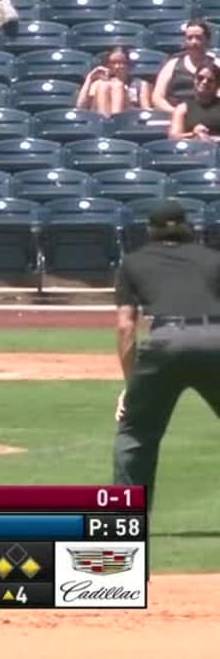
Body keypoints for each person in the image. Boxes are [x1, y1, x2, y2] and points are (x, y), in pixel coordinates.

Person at [112, 200, 220, 508]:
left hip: (165, 341)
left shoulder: (133, 263)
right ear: (188, 227)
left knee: (135, 435)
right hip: (216, 339)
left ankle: (128, 514)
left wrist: (130, 387)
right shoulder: (213, 259)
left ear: (149, 230)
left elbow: (125, 327)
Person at [150, 20, 220, 113]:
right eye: (190, 38)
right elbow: (157, 97)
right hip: (174, 114)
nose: (194, 42)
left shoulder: (217, 64)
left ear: (207, 40)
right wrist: (176, 113)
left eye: (198, 38)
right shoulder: (173, 64)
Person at [76, 46, 150, 115]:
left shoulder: (140, 85)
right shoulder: (98, 83)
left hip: (129, 119)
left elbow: (146, 111)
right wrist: (89, 78)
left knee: (118, 86)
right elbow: (81, 106)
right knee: (103, 86)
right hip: (100, 119)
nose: (117, 67)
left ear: (129, 65)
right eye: (113, 63)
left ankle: (116, 120)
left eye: (121, 63)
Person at [168, 62, 220, 141]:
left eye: (210, 80)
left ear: (217, 84)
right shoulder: (183, 108)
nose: (204, 82)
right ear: (194, 80)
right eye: (200, 78)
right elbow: (173, 137)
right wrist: (194, 134)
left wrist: (210, 138)